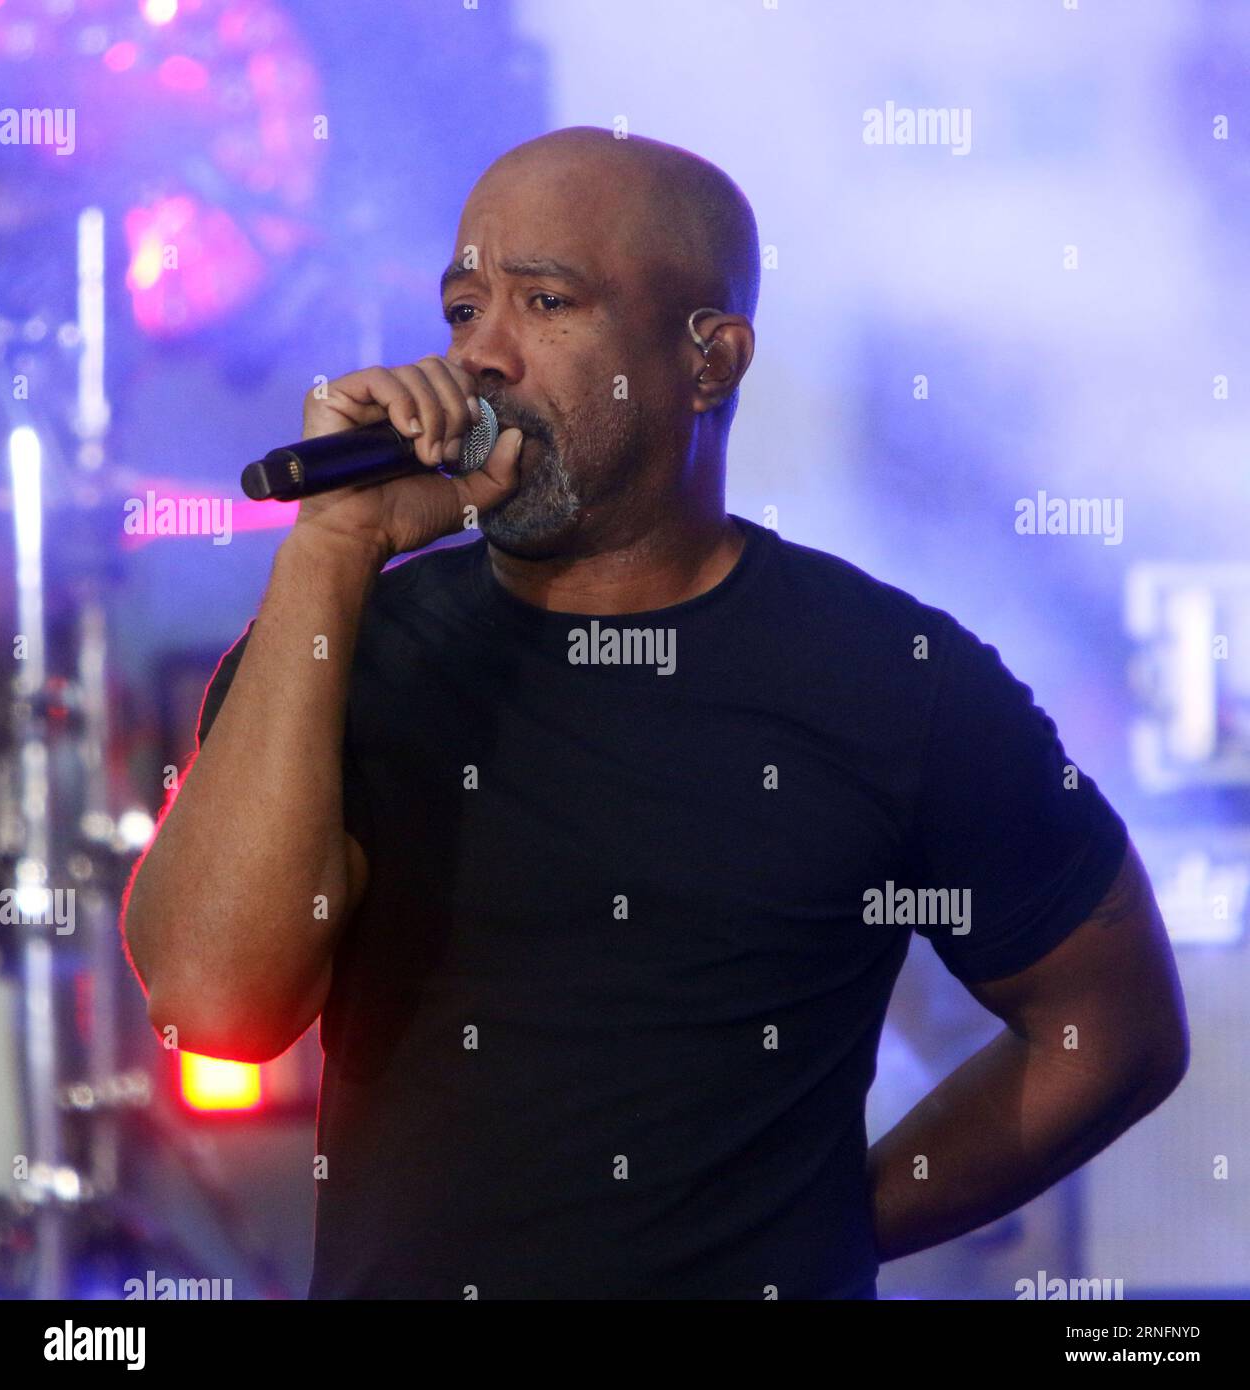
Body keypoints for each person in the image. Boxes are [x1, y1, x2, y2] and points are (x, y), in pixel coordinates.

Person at [122, 126, 1188, 1300]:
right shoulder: (343, 651)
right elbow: (216, 1007)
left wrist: (833, 1228)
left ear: (707, 361)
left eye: (545, 302)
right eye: (463, 307)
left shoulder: (893, 676)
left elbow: (1112, 1031)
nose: (481, 356)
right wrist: (333, 548)